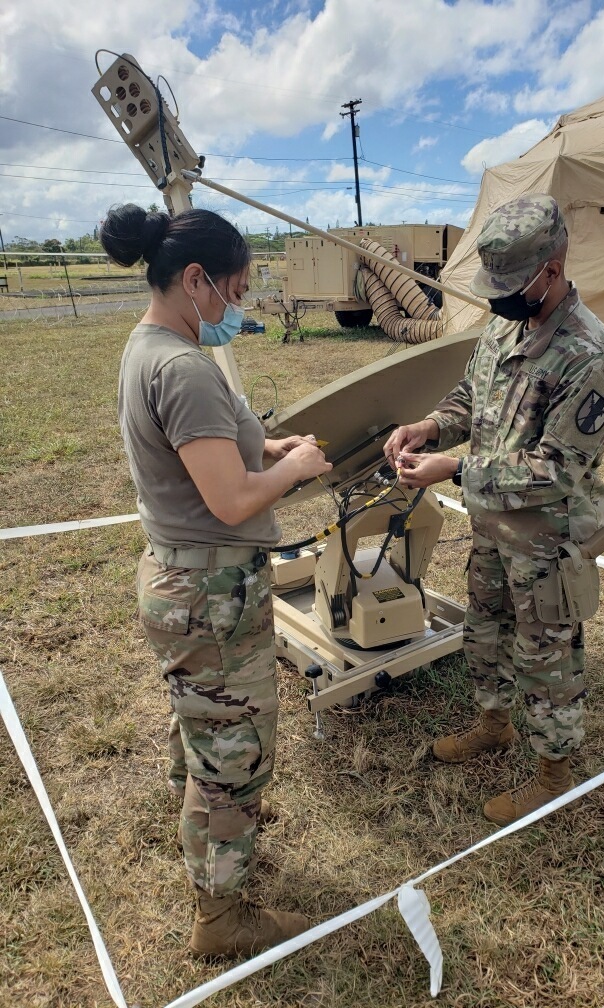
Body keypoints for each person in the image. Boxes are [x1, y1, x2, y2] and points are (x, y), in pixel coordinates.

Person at [101, 203, 331, 959]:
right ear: (195, 279)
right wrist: (293, 470)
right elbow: (230, 499)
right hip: (209, 593)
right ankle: (221, 917)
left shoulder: (152, 347)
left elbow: (219, 448)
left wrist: (271, 443)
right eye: (234, 289)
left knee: (202, 732)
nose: (239, 305)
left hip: (180, 580)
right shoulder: (184, 368)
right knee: (235, 749)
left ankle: (204, 830)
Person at [384, 194, 604, 827]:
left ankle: (554, 774)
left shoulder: (596, 360)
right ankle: (493, 725)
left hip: (547, 541)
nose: (497, 299)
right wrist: (431, 428)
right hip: (493, 525)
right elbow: (474, 398)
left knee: (546, 656)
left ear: (552, 270)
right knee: (487, 631)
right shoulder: (506, 325)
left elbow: (554, 470)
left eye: (510, 285)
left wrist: (455, 469)